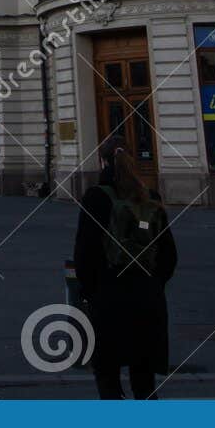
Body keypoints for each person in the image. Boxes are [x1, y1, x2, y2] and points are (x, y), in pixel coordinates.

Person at [73, 148, 178, 399]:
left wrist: (90, 290)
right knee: (144, 376)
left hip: (110, 296)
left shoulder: (96, 197)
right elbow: (169, 255)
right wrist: (153, 283)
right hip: (147, 296)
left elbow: (85, 251)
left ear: (103, 162)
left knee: (107, 372)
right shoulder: (150, 196)